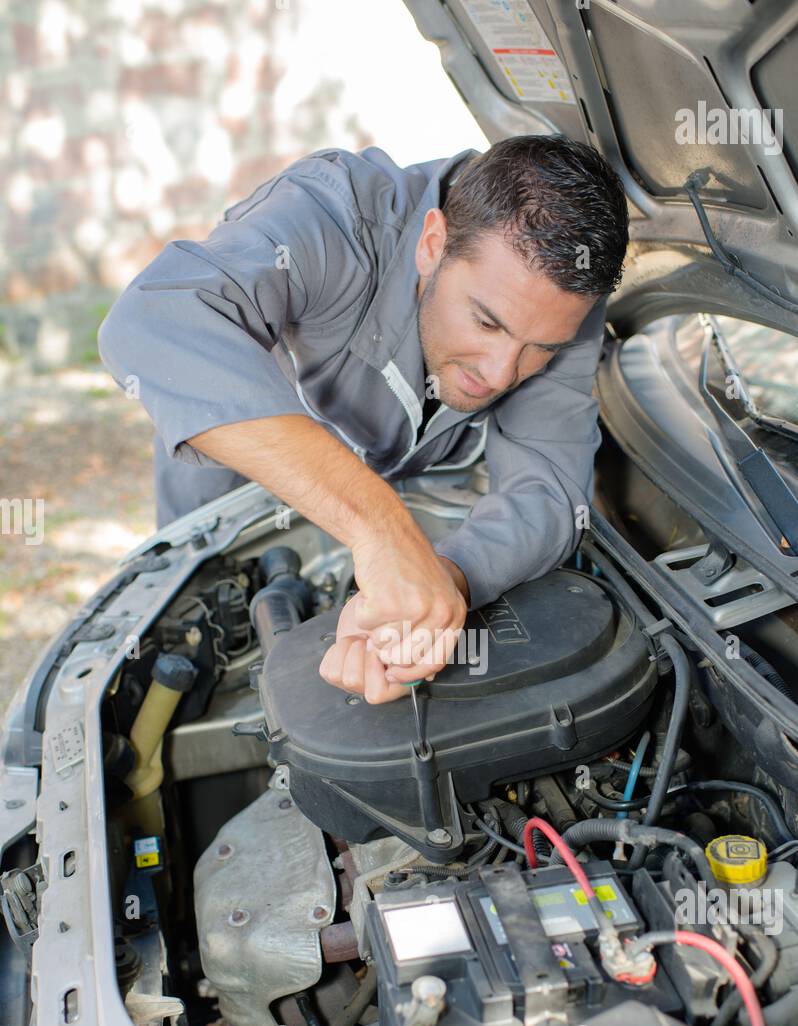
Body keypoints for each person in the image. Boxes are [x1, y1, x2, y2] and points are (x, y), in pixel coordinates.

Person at [98, 136, 628, 702]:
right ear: (431, 243)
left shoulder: (561, 301)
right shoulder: (332, 215)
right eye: (486, 323)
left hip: (399, 504)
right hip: (239, 484)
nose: (501, 374)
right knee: (198, 647)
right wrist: (381, 528)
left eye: (539, 347)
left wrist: (442, 580)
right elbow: (153, 321)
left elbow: (548, 487)